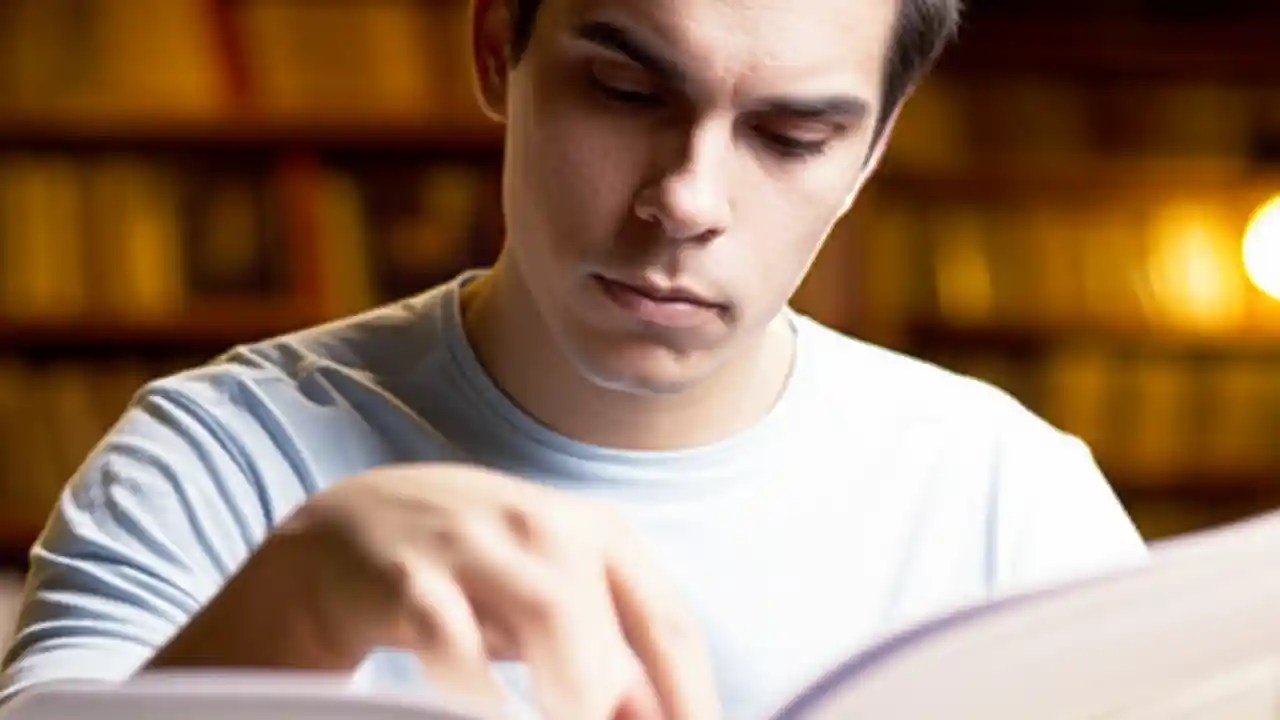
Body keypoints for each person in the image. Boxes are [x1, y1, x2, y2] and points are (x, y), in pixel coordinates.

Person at [0, 0, 1149, 717]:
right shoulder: (215, 459)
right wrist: (298, 600)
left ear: (871, 152)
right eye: (624, 90)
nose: (687, 200)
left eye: (791, 137)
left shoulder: (1011, 498)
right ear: (494, 48)